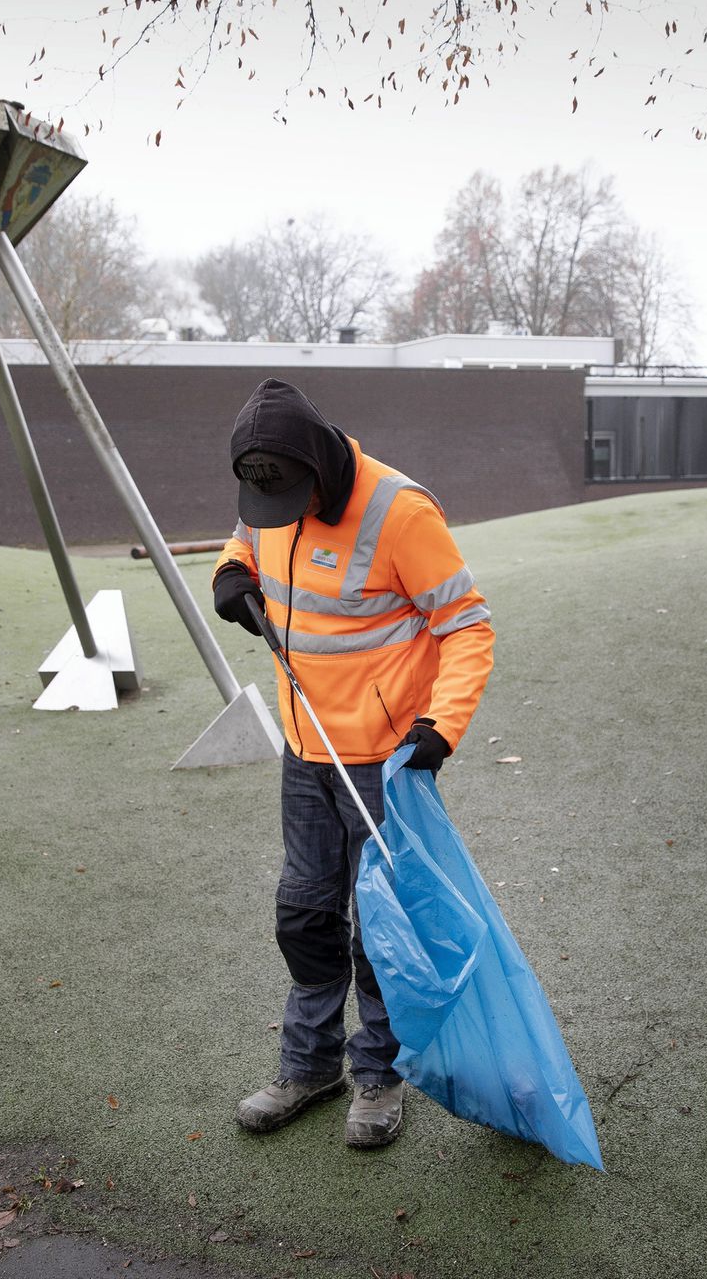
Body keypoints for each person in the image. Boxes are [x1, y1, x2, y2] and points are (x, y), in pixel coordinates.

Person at [209, 377, 494, 1149]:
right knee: (304, 914)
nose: (277, 514)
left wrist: (441, 728)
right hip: (306, 752)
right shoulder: (270, 488)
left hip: (383, 762)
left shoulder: (400, 512)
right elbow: (249, 535)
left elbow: (467, 626)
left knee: (378, 929)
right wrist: (233, 572)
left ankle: (377, 1074)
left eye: (291, 497)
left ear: (318, 469)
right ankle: (309, 1067)